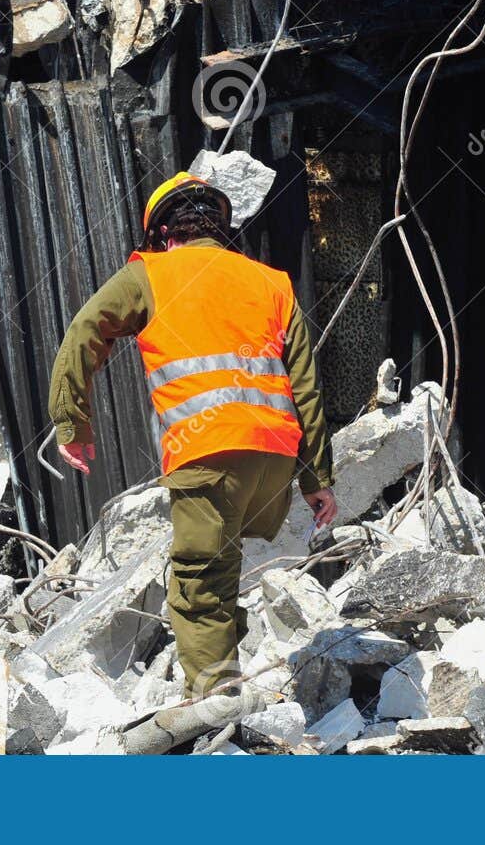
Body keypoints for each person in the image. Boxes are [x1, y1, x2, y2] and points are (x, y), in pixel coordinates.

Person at [47, 171, 336, 696]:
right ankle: (227, 678)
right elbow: (306, 386)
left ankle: (212, 705)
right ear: (219, 226)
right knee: (222, 568)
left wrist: (72, 422)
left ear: (162, 234)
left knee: (199, 581)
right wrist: (317, 477)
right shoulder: (271, 281)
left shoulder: (150, 275)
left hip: (208, 452)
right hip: (274, 459)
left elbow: (84, 330)